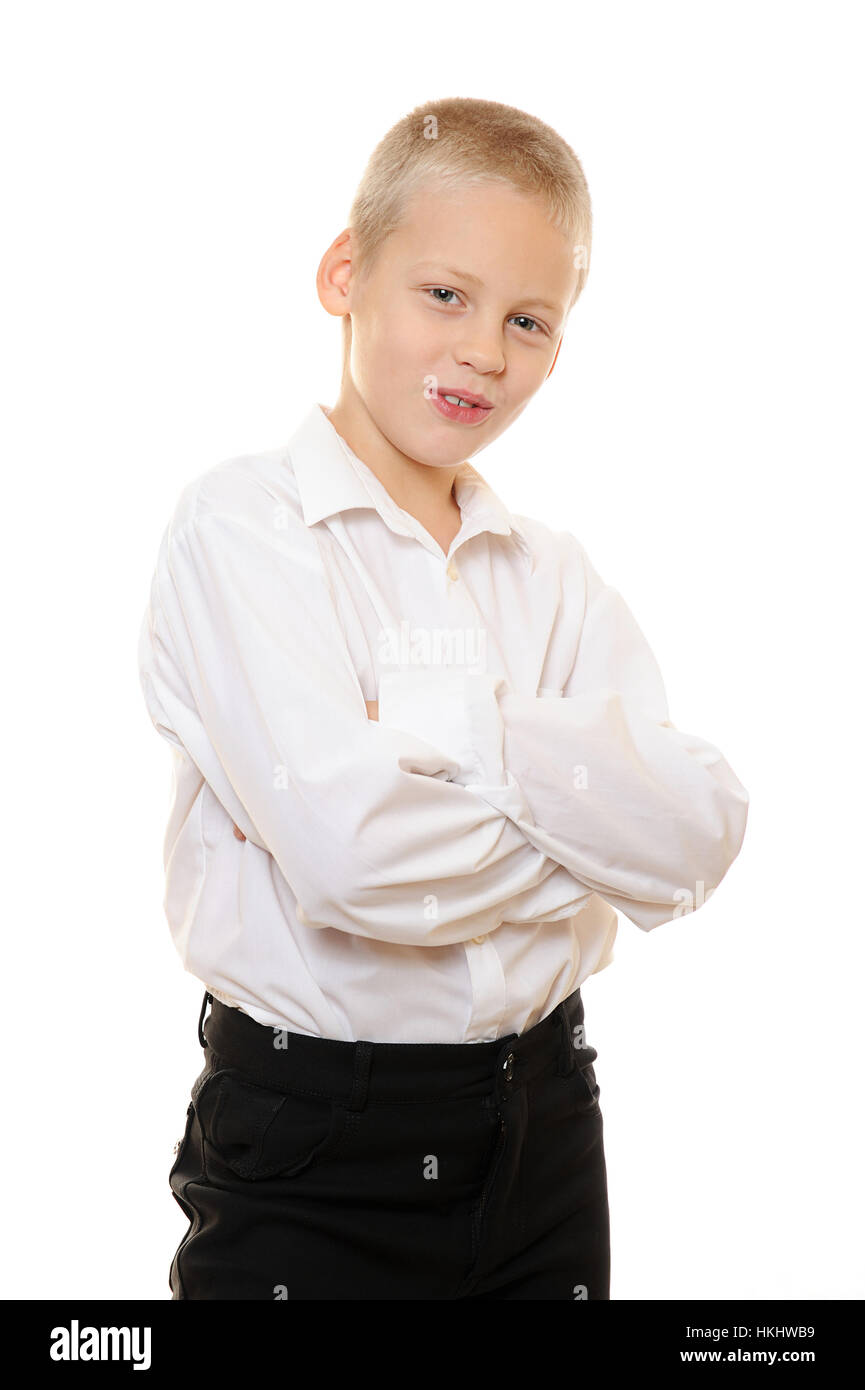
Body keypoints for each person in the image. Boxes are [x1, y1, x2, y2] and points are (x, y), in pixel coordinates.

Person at [137, 96, 749, 1301]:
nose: (483, 351)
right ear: (344, 274)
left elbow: (695, 832)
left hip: (545, 1118)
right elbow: (351, 858)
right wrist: (582, 826)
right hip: (314, 1136)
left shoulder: (555, 572)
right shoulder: (242, 528)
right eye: (445, 296)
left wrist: (455, 749)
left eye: (529, 319)